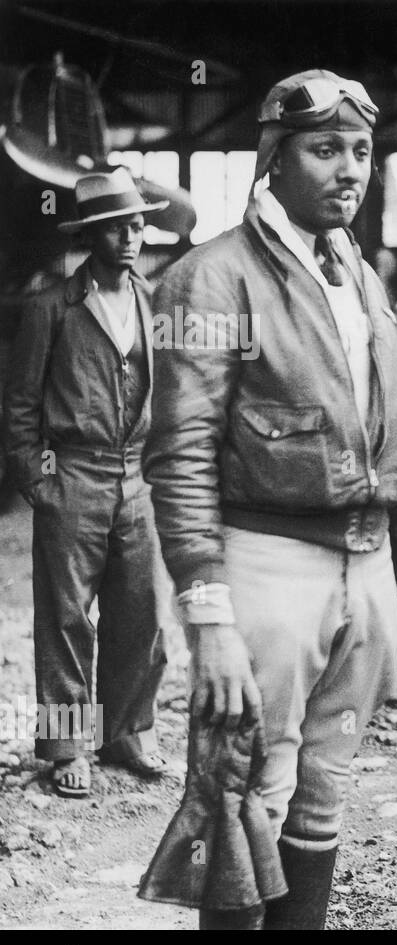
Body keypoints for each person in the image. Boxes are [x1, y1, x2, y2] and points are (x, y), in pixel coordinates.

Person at [143, 70, 397, 931]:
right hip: (265, 561)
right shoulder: (209, 279)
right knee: (243, 796)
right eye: (324, 149)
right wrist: (210, 617)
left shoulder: (361, 279)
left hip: (369, 561)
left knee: (325, 792)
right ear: (273, 159)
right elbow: (181, 456)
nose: (349, 169)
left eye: (360, 151)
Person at [3, 168, 171, 798]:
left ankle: (127, 731)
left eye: (137, 225)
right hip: (72, 475)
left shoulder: (151, 301)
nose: (131, 237)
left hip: (133, 478)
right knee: (68, 616)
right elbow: (20, 407)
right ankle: (69, 745)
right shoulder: (52, 306)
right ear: (93, 233)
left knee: (140, 609)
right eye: (118, 227)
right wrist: (38, 483)